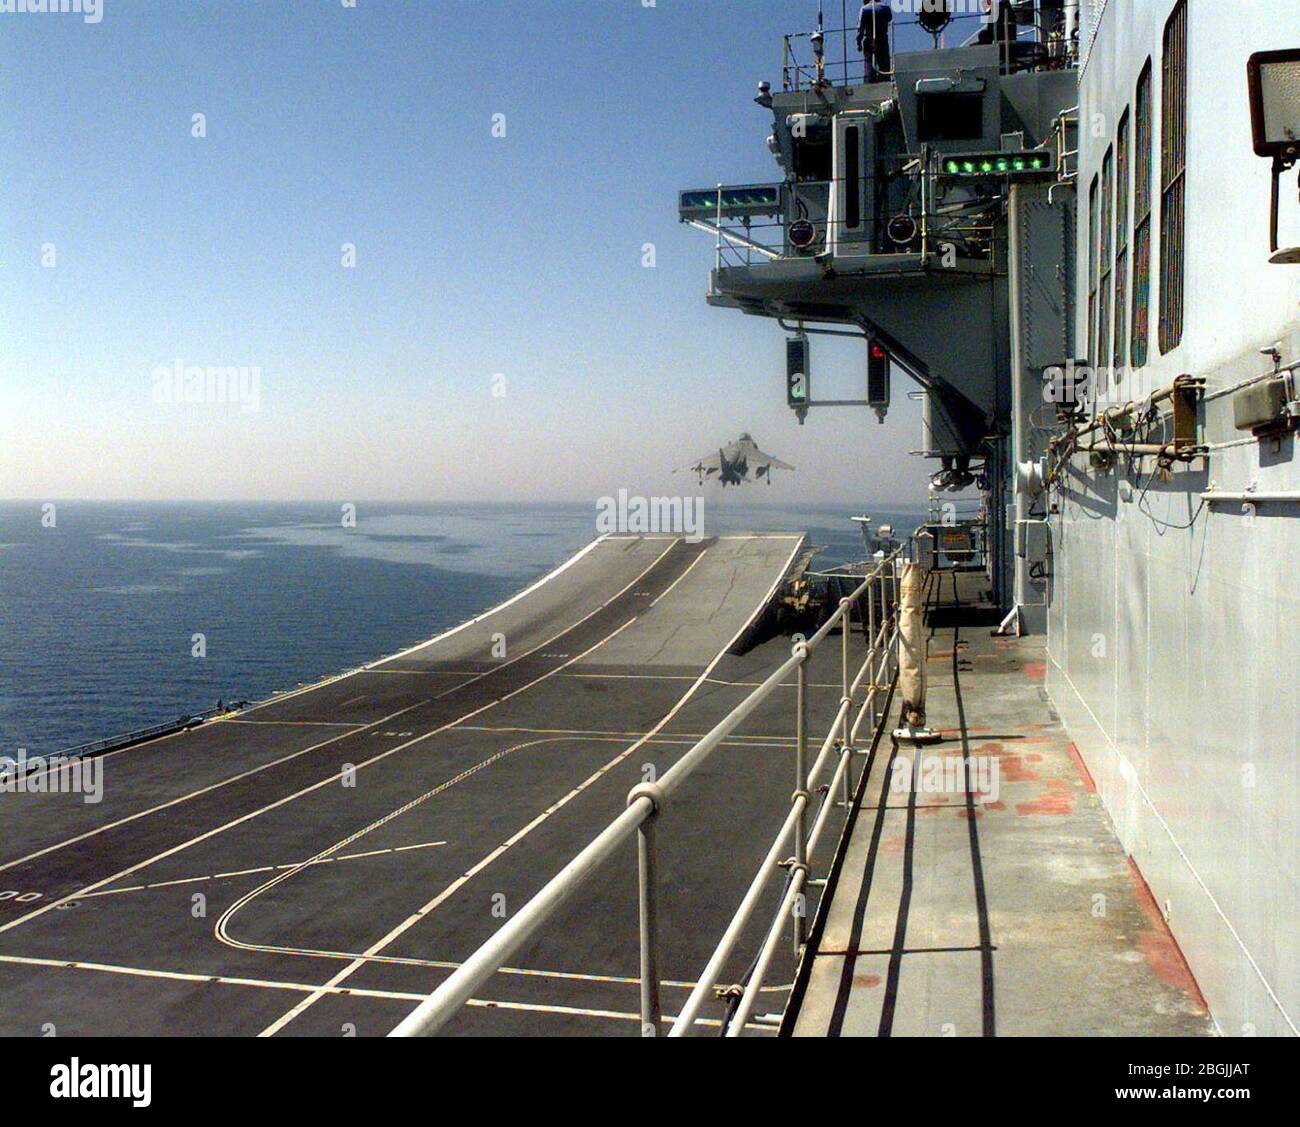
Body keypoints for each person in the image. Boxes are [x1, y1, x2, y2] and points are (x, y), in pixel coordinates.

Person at [856, 1, 893, 84]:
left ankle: (869, 82)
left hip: (869, 39)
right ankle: (885, 81)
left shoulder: (865, 9)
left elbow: (860, 28)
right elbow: (889, 18)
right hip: (883, 39)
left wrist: (858, 42)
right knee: (884, 63)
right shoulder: (885, 7)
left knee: (869, 63)